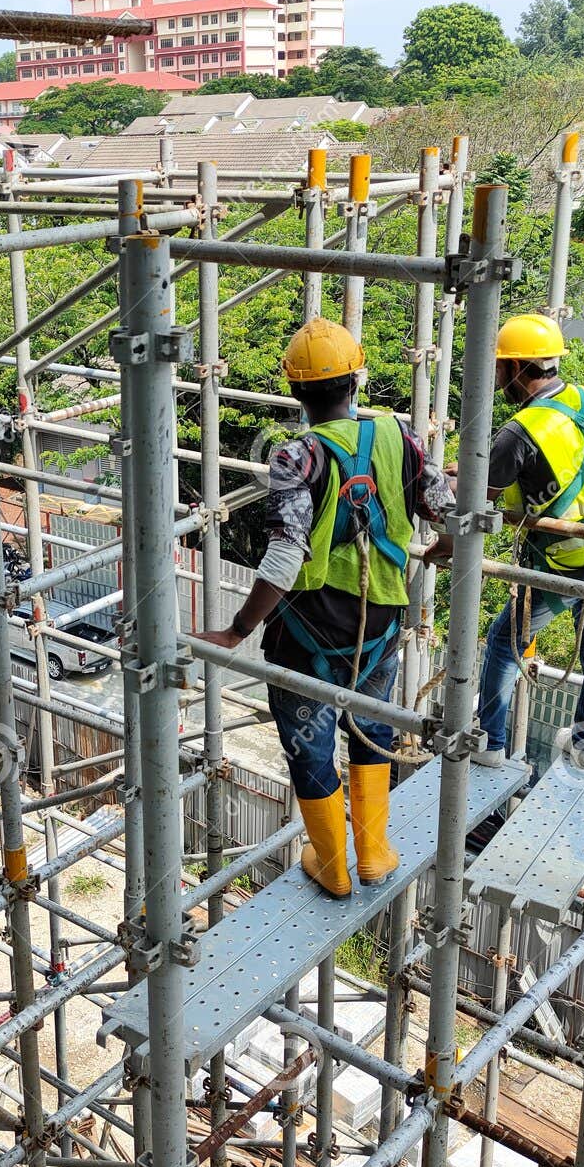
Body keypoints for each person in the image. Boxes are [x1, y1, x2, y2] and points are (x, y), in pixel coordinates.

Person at [198, 318, 452, 897]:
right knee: (368, 730)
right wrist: (444, 548)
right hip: (380, 623)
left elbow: (286, 556)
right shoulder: (398, 436)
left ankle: (332, 866)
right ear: (357, 378)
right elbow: (450, 509)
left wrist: (237, 630)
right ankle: (373, 852)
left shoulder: (295, 458)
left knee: (309, 744)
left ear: (295, 391)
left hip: (306, 634)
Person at [472, 313, 584, 773]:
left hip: (564, 561)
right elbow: (573, 471)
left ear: (519, 369)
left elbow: (478, 506)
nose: (497, 375)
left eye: (502, 366)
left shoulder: (518, 432)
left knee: (504, 642)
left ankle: (489, 740)